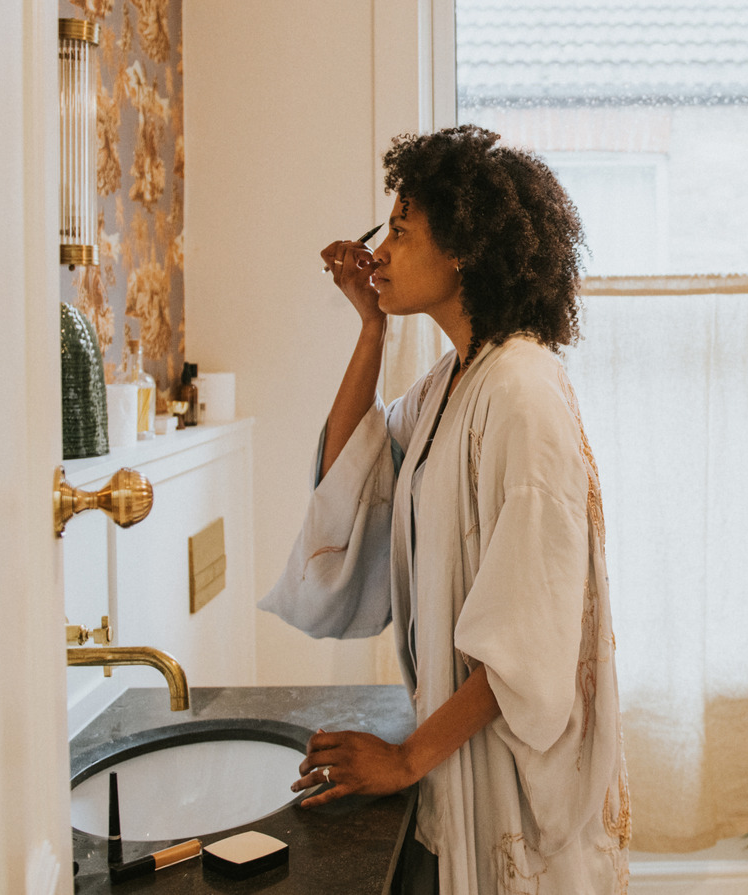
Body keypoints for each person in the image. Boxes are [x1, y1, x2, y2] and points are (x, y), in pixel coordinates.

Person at [258, 124, 630, 895]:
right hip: (458, 761)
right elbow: (350, 475)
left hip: (513, 784)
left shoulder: (521, 392)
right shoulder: (452, 381)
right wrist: (370, 327)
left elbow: (531, 635)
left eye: (401, 229)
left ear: (462, 248)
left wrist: (404, 757)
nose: (381, 250)